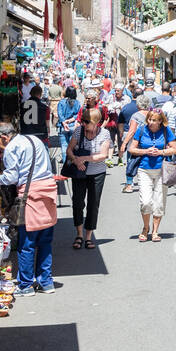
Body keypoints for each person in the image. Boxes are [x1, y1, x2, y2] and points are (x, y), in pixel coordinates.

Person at [0, 122, 57, 295]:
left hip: (30, 196)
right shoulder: (34, 140)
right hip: (49, 193)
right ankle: (46, 282)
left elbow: (11, 178)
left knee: (27, 243)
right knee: (45, 241)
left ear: (5, 138)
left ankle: (26, 285)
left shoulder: (11, 148)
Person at [67, 107, 111, 250]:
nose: (84, 124)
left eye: (87, 121)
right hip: (80, 173)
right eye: (83, 121)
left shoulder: (104, 133)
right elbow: (69, 150)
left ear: (96, 122)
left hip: (97, 173)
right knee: (78, 203)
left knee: (93, 204)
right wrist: (75, 160)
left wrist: (84, 158)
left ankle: (88, 236)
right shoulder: (79, 131)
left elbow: (103, 155)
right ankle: (79, 234)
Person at [130, 108, 176, 242]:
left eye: (154, 120)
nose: (151, 122)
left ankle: (155, 231)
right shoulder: (142, 130)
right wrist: (146, 151)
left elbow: (175, 149)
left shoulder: (165, 131)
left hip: (162, 170)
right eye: (150, 119)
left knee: (159, 203)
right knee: (145, 202)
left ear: (161, 121)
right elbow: (132, 148)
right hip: (144, 169)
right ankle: (146, 228)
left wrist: (161, 152)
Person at [116, 88, 142, 190]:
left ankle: (129, 180)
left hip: (128, 133)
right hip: (143, 134)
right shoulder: (146, 109)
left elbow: (120, 122)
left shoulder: (126, 107)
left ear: (132, 95)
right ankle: (141, 177)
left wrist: (122, 134)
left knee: (130, 156)